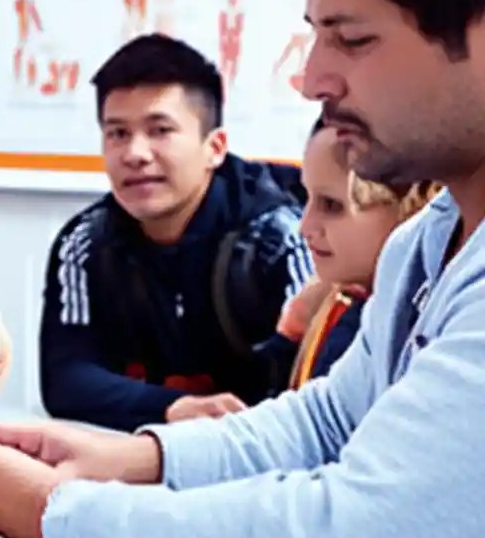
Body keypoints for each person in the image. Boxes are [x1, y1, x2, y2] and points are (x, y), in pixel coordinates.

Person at [0, 0, 485, 538]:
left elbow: (357, 537)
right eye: (316, 38)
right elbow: (327, 423)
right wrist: (140, 459)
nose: (314, 79)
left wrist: (52, 513)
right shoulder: (427, 240)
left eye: (352, 39)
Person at [39, 33, 312, 432]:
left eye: (160, 130)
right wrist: (174, 408)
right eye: (117, 133)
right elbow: (65, 380)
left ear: (214, 148)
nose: (135, 153)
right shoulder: (87, 240)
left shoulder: (279, 236)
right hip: (139, 455)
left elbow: (310, 383)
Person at [164, 120, 439, 421]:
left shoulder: (413, 334)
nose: (306, 226)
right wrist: (289, 337)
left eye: (332, 205)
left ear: (414, 206)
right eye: (307, 198)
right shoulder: (336, 304)